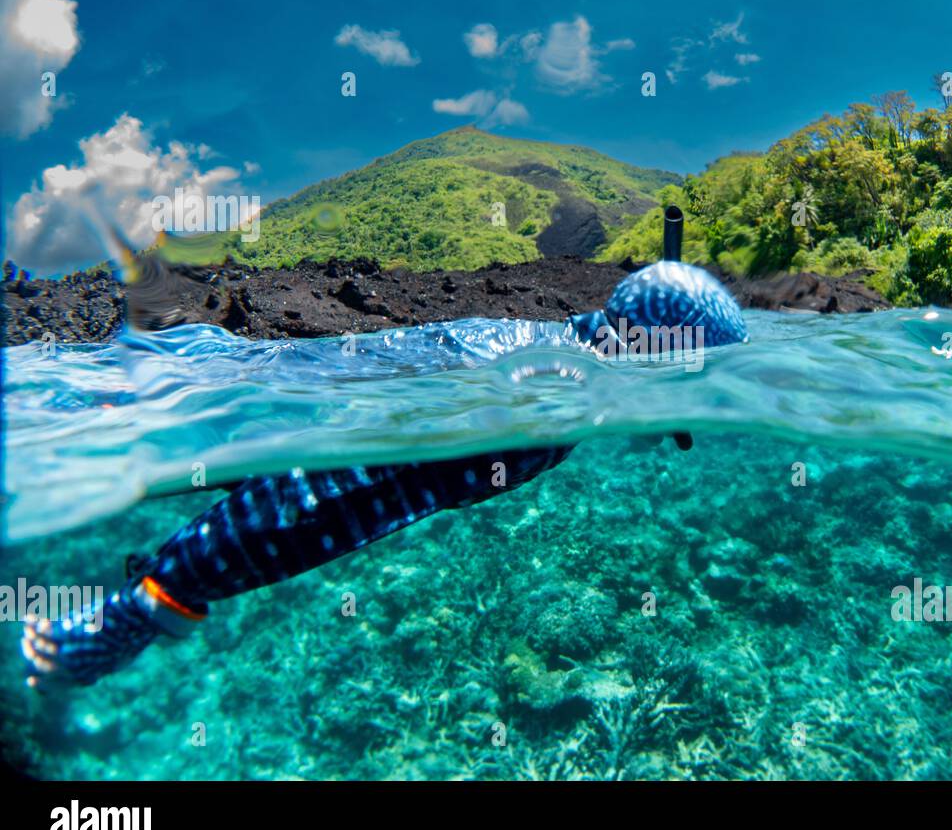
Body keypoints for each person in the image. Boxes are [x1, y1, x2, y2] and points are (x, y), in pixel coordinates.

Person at [22, 212, 749, 689]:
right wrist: (153, 603)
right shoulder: (549, 409)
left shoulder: (545, 348)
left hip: (205, 380)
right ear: (656, 359)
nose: (681, 422)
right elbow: (332, 498)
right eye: (692, 387)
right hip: (187, 400)